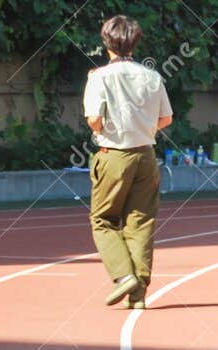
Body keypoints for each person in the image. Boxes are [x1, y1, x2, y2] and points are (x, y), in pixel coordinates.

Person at [83, 15, 171, 312]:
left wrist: (106, 127)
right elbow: (167, 118)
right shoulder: (152, 76)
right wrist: (143, 127)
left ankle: (123, 275)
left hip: (114, 154)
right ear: (135, 41)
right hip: (146, 153)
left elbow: (95, 121)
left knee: (102, 219)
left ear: (106, 42)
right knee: (141, 221)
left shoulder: (99, 77)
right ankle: (139, 293)